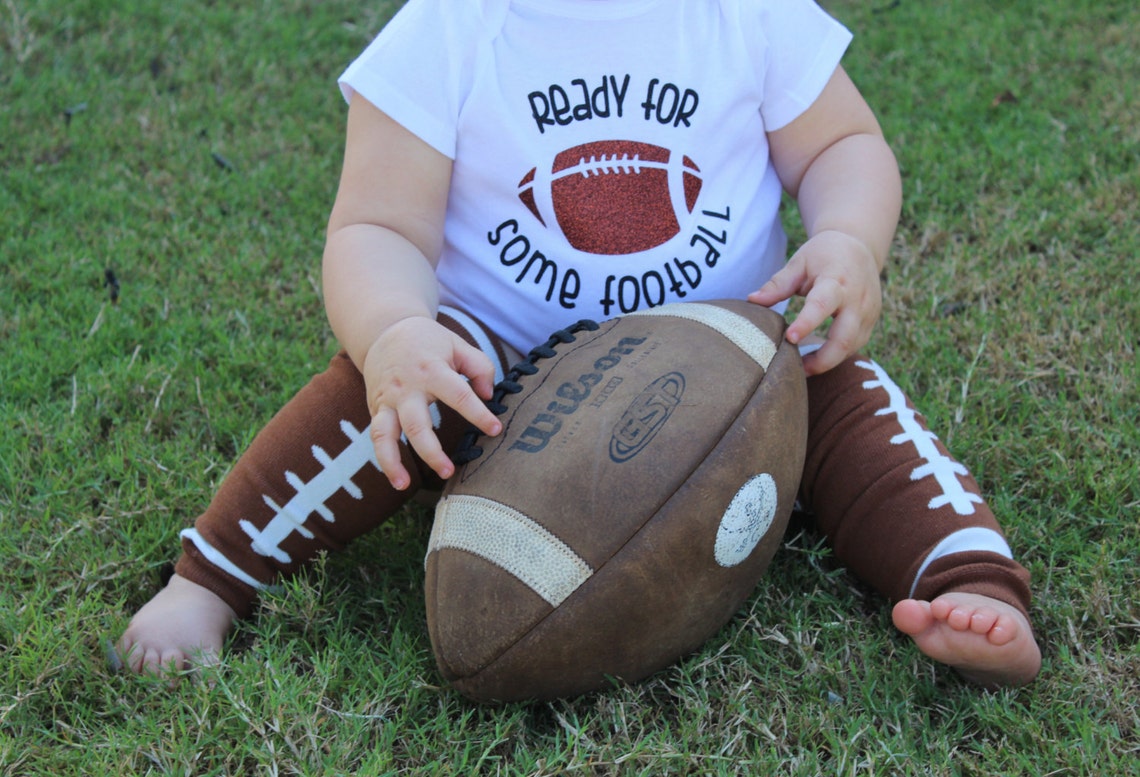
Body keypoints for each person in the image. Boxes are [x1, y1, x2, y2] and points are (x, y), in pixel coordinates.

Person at [117, 0, 1041, 689]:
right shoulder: (446, 34)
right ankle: (216, 575)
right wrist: (398, 329)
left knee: (856, 402)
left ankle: (968, 579)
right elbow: (374, 228)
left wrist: (847, 237)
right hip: (505, 366)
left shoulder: (744, 13)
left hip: (736, 352)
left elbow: (843, 142)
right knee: (380, 396)